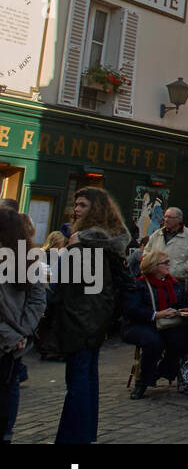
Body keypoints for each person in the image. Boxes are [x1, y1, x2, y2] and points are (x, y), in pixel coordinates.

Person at [44, 187, 130, 444]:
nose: (76, 209)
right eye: (76, 204)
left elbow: (72, 286)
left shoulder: (84, 242)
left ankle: (74, 438)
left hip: (80, 317)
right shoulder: (107, 240)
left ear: (95, 209)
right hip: (97, 318)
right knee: (88, 377)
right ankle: (83, 433)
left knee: (78, 381)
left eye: (82, 205)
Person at [1, 205, 46, 443]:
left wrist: (21, 333)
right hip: (12, 341)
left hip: (12, 344)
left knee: (8, 390)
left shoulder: (29, 263)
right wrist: (17, 335)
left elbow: (38, 300)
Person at [122, 248, 188, 399]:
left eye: (168, 262)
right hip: (140, 324)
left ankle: (162, 372)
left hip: (167, 323)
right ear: (154, 266)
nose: (168, 265)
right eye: (164, 263)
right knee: (153, 342)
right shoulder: (138, 285)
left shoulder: (175, 284)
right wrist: (156, 314)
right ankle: (142, 383)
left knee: (182, 340)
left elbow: (182, 305)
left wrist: (177, 312)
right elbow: (131, 310)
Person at [144, 208, 188, 289]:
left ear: (179, 220)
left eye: (170, 217)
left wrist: (181, 268)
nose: (166, 220)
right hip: (154, 280)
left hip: (177, 282)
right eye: (165, 216)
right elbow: (146, 252)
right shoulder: (156, 234)